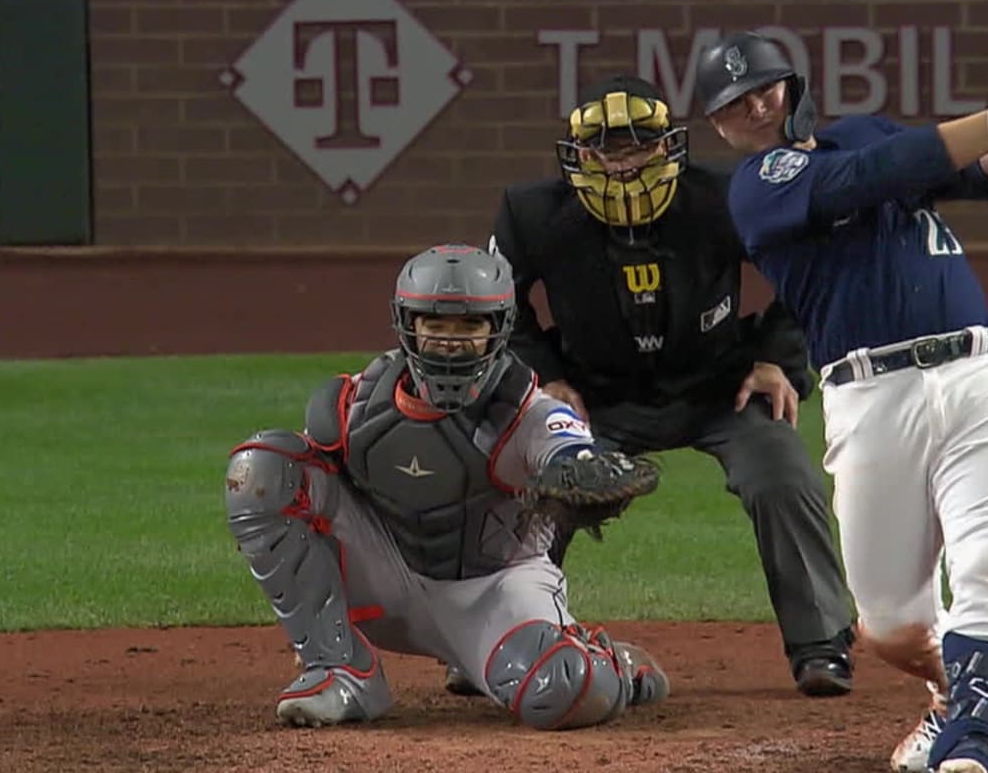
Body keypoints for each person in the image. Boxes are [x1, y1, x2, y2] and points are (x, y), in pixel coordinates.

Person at [693, 31, 988, 773]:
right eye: (735, 101)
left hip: (980, 377)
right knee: (892, 625)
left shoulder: (864, 136)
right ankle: (951, 704)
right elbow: (870, 177)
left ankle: (970, 742)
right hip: (870, 399)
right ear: (718, 124)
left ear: (792, 88)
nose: (755, 104)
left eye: (765, 86)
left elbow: (965, 178)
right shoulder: (757, 186)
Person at [470, 73, 858, 698]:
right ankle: (498, 640)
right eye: (604, 149)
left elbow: (807, 272)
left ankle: (822, 646)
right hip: (595, 397)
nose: (620, 165)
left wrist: (777, 360)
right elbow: (497, 304)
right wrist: (548, 379)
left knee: (781, 470)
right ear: (578, 155)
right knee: (532, 474)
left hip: (718, 387)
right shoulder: (532, 210)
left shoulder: (728, 195)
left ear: (666, 146)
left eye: (634, 147)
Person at [223, 244, 668, 731]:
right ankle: (339, 668)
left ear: (498, 329)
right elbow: (303, 489)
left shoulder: (530, 412)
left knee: (565, 690)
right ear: (407, 324)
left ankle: (614, 664)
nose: (450, 343)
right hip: (388, 575)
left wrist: (582, 467)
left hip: (494, 591)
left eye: (469, 327)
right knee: (262, 470)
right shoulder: (358, 401)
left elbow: (571, 449)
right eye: (435, 325)